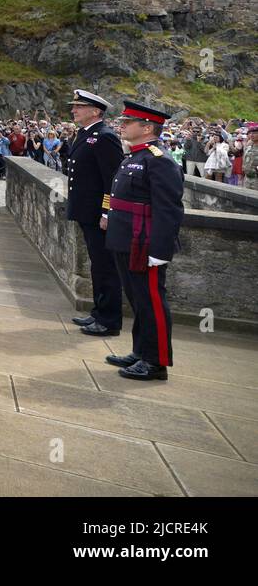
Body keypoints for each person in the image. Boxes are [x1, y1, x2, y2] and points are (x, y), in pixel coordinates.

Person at [103, 100, 185, 381]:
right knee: (138, 300)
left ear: (147, 127)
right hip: (126, 240)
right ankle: (140, 351)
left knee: (151, 302)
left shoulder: (158, 160)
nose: (121, 125)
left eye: (128, 122)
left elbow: (168, 209)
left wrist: (160, 250)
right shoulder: (134, 156)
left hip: (144, 244)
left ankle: (156, 361)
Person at [64, 90, 127, 337]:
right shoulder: (87, 134)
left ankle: (110, 320)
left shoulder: (104, 137)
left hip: (97, 214)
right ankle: (99, 312)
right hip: (86, 212)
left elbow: (112, 179)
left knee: (106, 267)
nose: (73, 110)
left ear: (95, 111)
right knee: (97, 265)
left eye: (79, 106)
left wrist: (107, 212)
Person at [245, 126, 258, 191]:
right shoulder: (248, 147)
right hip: (247, 178)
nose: (252, 135)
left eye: (255, 133)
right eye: (251, 133)